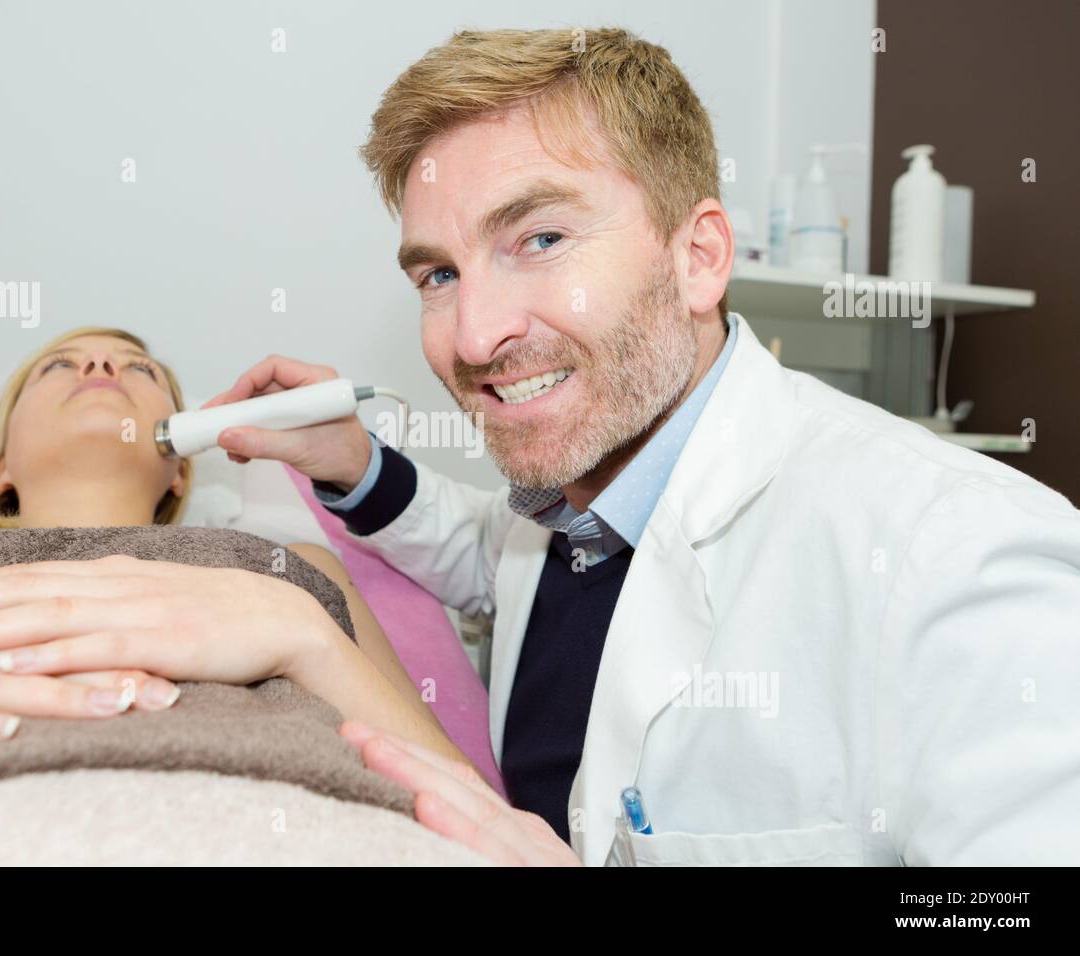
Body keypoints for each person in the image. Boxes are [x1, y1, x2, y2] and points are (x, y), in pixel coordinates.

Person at [207, 28, 1080, 866]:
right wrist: (355, 464)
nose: (473, 338)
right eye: (440, 274)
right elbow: (483, 553)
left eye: (541, 239)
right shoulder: (568, 516)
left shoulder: (962, 558)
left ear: (698, 257)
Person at [0, 327, 466, 770]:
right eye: (59, 365)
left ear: (181, 467)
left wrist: (302, 636)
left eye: (141, 369)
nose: (104, 363)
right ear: (3, 463)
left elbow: (476, 820)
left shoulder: (290, 573)